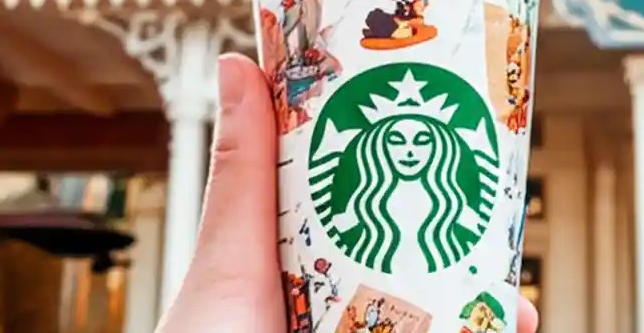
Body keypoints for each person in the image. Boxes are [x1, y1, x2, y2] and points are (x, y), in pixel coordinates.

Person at [156, 54, 540, 332]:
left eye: (422, 139)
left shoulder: (455, 217)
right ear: (374, 148)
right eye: (395, 141)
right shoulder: (355, 218)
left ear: (442, 147)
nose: (409, 151)